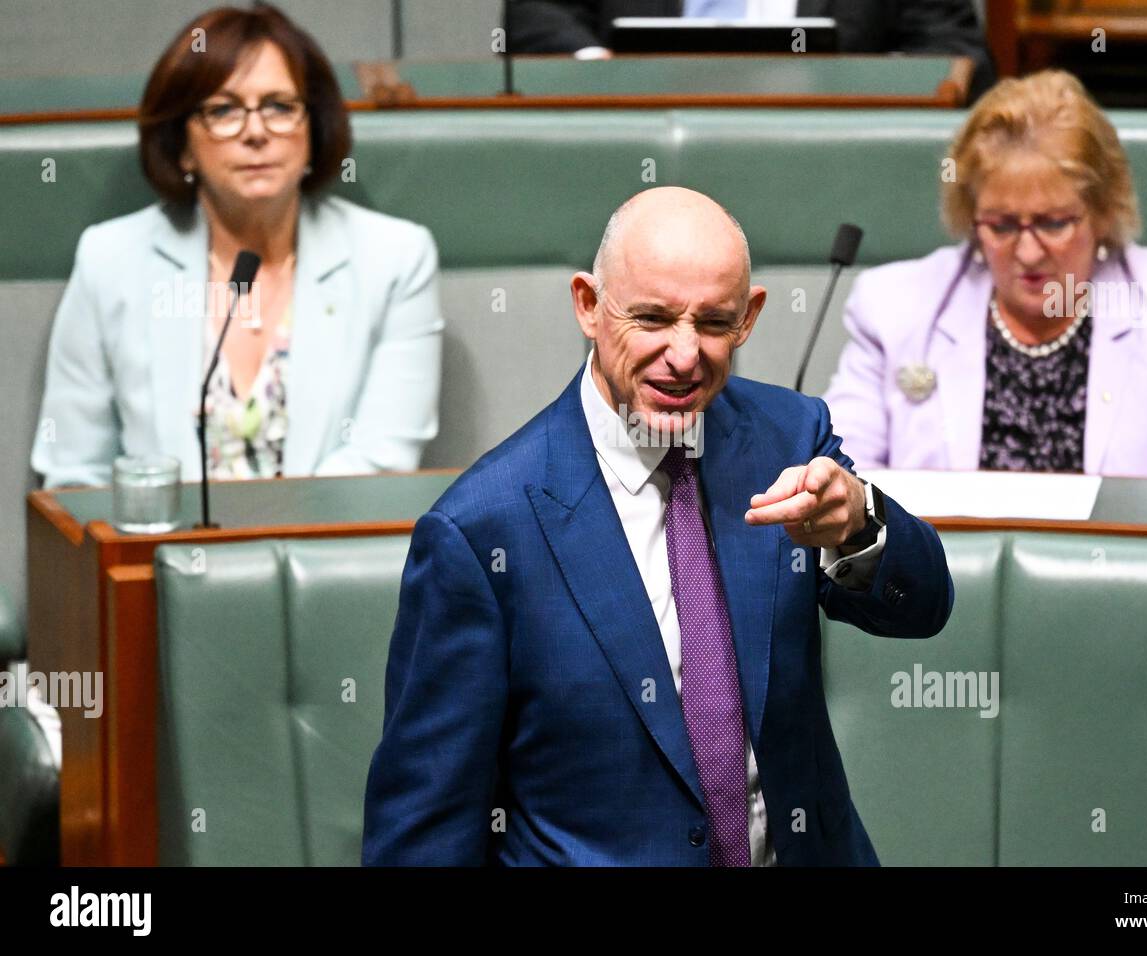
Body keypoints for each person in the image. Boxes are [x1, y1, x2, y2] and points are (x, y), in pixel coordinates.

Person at [363, 186, 953, 866]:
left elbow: (923, 606)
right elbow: (423, 830)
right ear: (588, 305)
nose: (684, 354)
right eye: (652, 318)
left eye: (713, 322)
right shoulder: (481, 532)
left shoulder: (788, 438)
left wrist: (858, 524)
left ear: (749, 318)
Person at [31, 3, 443, 488]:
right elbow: (75, 474)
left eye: (279, 107)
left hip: (332, 537)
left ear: (312, 131)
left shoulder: (395, 258)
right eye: (223, 110)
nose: (255, 132)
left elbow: (381, 462)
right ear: (183, 145)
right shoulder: (110, 260)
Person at [822, 70, 1147, 483]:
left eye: (1053, 223)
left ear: (1103, 212)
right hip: (943, 554)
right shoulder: (894, 304)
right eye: (1001, 226)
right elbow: (841, 477)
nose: (1027, 252)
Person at [508, 0, 996, 95]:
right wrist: (601, 73)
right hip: (631, 154)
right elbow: (534, 13)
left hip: (821, 159)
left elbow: (957, 51)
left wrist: (858, 87)